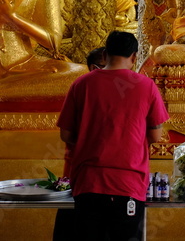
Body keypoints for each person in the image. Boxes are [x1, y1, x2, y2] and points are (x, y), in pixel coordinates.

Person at [58, 31, 168, 241]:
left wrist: (89, 141)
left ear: (106, 53)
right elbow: (155, 135)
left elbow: (66, 134)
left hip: (88, 183)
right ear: (134, 57)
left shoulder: (81, 84)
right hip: (129, 183)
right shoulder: (146, 86)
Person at [53, 46, 110, 241]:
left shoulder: (121, 91)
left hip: (106, 176)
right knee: (74, 221)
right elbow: (66, 134)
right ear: (95, 68)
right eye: (109, 66)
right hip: (81, 172)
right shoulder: (79, 87)